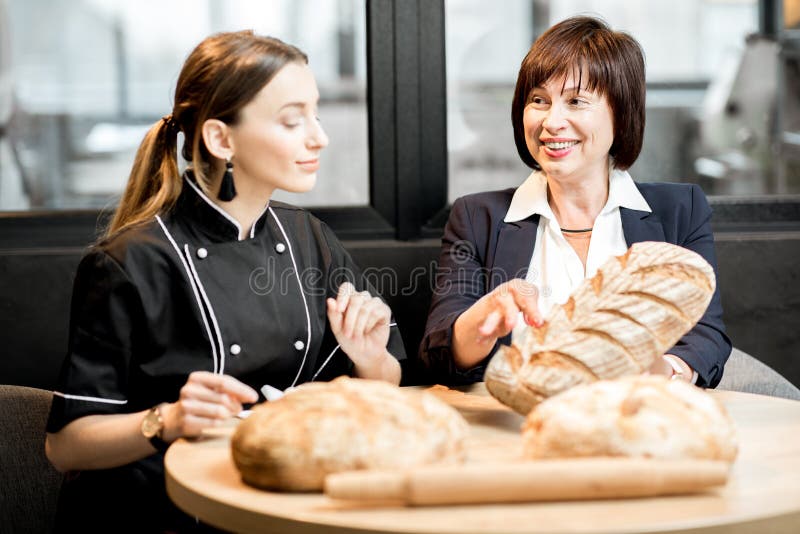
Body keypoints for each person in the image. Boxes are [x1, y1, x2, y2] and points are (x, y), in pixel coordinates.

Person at [45, 30, 405, 532]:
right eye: (292, 119)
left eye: (315, 113)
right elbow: (65, 446)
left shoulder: (311, 238)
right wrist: (167, 421)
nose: (318, 136)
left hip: (285, 502)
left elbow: (386, 387)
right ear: (220, 138)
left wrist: (372, 360)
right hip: (161, 515)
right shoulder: (131, 261)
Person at [420, 16, 730, 387]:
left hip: (636, 420)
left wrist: (658, 371)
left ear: (621, 111)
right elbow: (437, 352)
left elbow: (706, 334)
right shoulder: (476, 217)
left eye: (576, 101)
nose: (552, 121)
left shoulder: (680, 210)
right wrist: (481, 324)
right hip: (517, 427)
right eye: (539, 100)